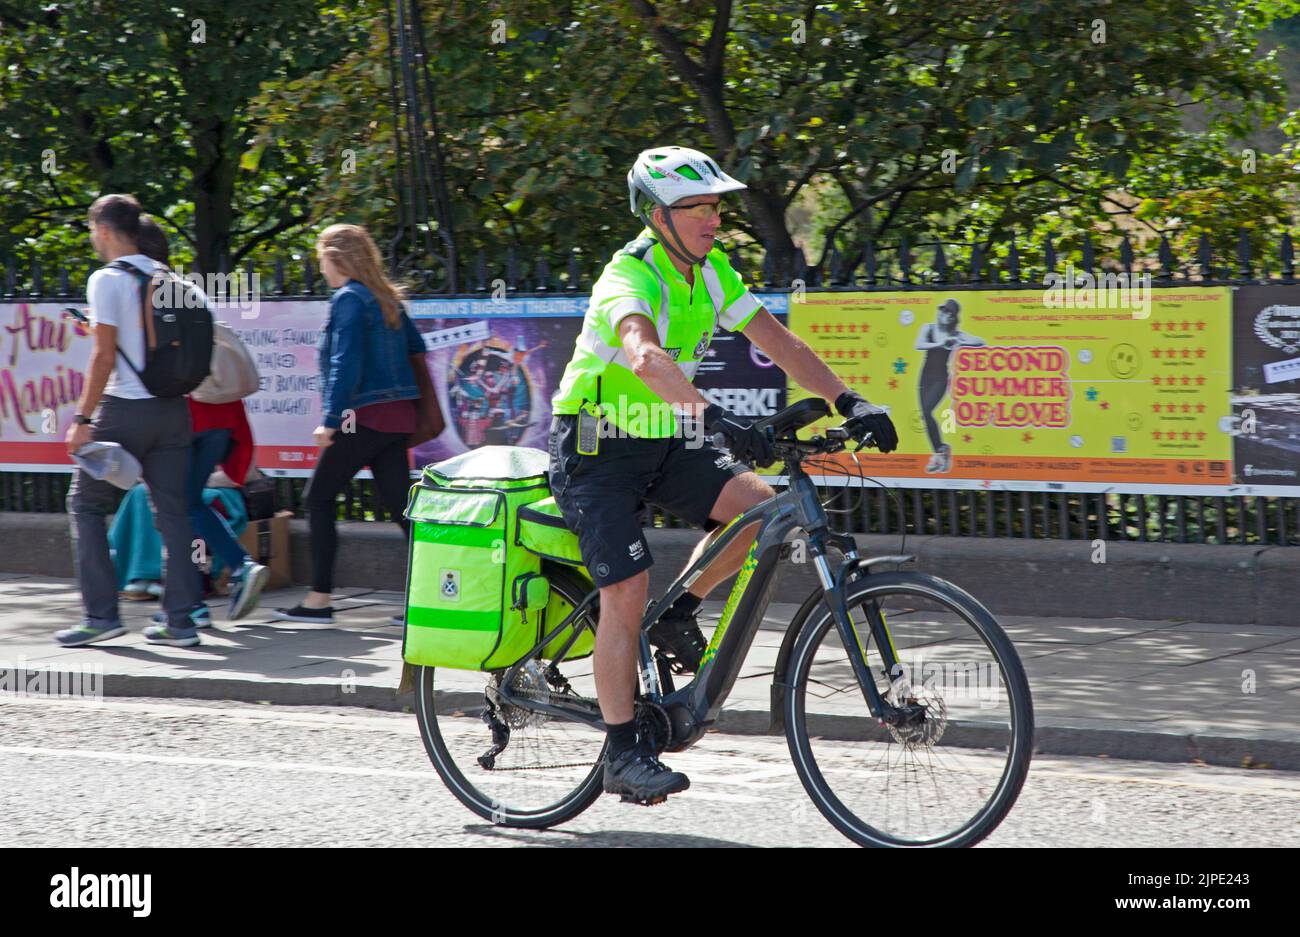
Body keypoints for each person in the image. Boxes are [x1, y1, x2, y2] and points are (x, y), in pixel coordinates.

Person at [549, 145, 899, 804]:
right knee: (626, 584)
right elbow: (646, 356)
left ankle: (679, 609)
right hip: (595, 444)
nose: (712, 218)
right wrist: (718, 420)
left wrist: (851, 400)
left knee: (759, 512)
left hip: (662, 436)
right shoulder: (631, 277)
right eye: (696, 207)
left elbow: (780, 341)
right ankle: (622, 750)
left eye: (715, 205)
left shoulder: (711, 273)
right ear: (657, 216)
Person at [56, 194, 205, 648]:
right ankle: (179, 621)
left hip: (125, 410)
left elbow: (104, 356)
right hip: (174, 410)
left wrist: (83, 418)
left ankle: (102, 615)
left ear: (103, 230)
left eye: (90, 231)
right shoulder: (170, 277)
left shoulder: (106, 279)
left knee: (85, 504)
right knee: (173, 514)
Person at [271, 224, 435, 626]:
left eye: (322, 258)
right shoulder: (387, 299)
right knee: (402, 507)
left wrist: (330, 421)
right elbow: (416, 349)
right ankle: (428, 600)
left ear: (336, 257)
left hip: (362, 418)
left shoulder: (348, 299)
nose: (321, 268)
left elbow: (346, 363)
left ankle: (319, 599)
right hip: (396, 418)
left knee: (318, 498)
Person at [133, 216, 270, 625]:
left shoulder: (144, 293)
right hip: (221, 416)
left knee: (174, 507)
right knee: (185, 503)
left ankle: (215, 584)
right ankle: (193, 600)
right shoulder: (188, 289)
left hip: (183, 416)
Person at [914, 298, 985, 474]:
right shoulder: (928, 328)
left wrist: (959, 342)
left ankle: (940, 451)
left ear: (953, 318)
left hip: (940, 377)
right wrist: (940, 344)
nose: (945, 315)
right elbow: (919, 344)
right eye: (943, 310)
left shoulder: (955, 334)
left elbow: (980, 341)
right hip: (924, 377)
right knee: (924, 414)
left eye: (949, 313)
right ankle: (940, 452)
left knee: (927, 411)